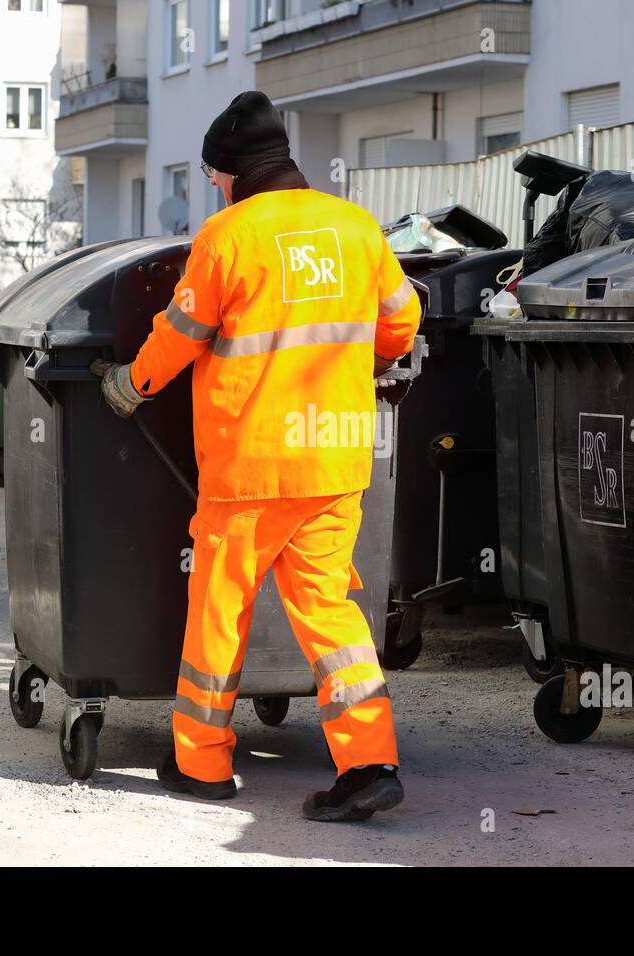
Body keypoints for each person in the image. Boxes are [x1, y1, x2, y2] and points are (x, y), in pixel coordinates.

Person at [91, 91, 421, 822]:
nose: (211, 185)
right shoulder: (358, 226)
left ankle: (202, 765)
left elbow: (180, 334)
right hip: (333, 460)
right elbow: (403, 321)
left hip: (251, 464)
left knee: (219, 611)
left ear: (238, 171)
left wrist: (130, 383)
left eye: (213, 173)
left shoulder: (227, 237)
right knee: (332, 615)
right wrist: (374, 355)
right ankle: (368, 764)